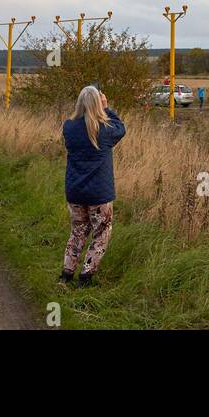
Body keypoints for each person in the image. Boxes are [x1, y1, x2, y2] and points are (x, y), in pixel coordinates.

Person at [60, 85, 125, 287]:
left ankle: (67, 273)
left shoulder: (69, 127)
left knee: (77, 232)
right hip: (99, 192)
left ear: (79, 103)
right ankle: (86, 276)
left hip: (75, 190)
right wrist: (106, 108)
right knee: (101, 233)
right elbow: (121, 128)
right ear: (98, 103)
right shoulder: (105, 129)